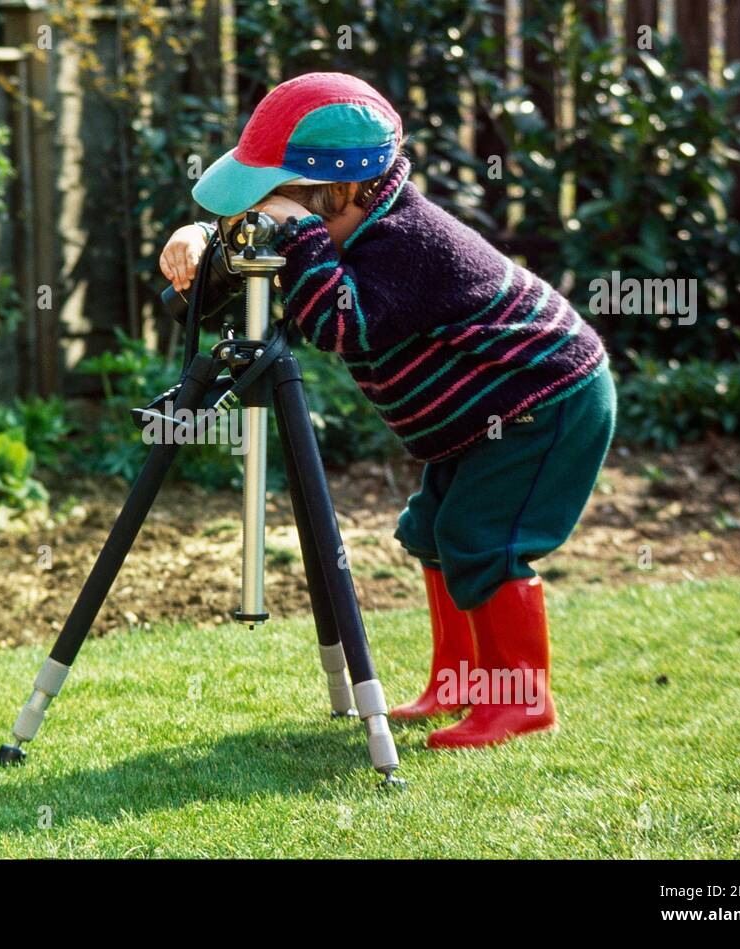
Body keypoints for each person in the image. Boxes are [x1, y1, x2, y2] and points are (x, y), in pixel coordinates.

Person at [159, 72, 615, 749]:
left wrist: (301, 235)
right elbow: (271, 241)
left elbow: (342, 326)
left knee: (483, 538)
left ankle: (521, 699)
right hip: (486, 410)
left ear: (336, 195)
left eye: (275, 206)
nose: (265, 220)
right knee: (432, 529)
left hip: (542, 398)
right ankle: (460, 679)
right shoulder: (352, 222)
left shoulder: (409, 241)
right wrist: (202, 235)